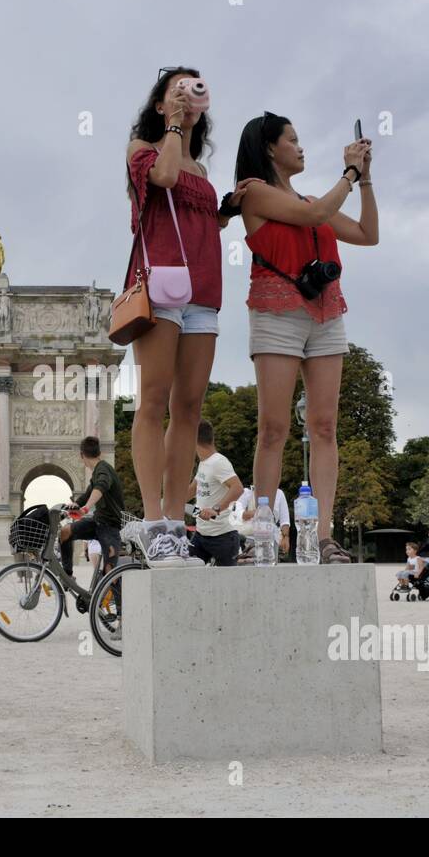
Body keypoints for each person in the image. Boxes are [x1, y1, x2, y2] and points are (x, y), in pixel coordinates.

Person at [124, 67, 259, 566]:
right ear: (160, 105)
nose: (187, 93)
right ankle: (154, 519)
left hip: (203, 288)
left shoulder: (201, 170)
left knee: (188, 409)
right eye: (175, 89)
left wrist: (228, 210)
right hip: (160, 281)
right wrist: (176, 127)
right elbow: (162, 179)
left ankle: (176, 519)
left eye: (194, 87)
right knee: (153, 399)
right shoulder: (143, 148)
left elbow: (199, 219)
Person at [234, 110, 378, 565]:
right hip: (277, 310)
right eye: (292, 139)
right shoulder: (254, 194)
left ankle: (323, 536)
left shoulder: (317, 199)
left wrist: (366, 181)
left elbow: (368, 235)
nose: (300, 147)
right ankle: (262, 534)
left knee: (325, 427)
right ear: (269, 147)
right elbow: (313, 213)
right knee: (273, 429)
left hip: (325, 312)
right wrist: (350, 173)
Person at [58, 436, 126, 579]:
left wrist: (85, 508)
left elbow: (101, 486)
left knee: (110, 574)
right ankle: (68, 575)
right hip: (97, 522)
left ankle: (118, 601)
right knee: (65, 532)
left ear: (82, 455)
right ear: (99, 452)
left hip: (110, 527)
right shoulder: (96, 472)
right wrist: (74, 505)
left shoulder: (104, 469)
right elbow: (87, 495)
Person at [188, 420, 245, 566]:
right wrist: (168, 502)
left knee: (226, 585)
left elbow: (237, 488)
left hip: (223, 537)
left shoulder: (218, 462)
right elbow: (193, 489)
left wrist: (216, 509)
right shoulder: (203, 463)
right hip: (201, 534)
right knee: (189, 577)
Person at [235, 483, 291, 559]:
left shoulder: (279, 493)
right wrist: (261, 512)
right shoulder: (246, 493)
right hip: (248, 539)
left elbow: (285, 520)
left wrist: (285, 537)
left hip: (271, 539)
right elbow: (239, 515)